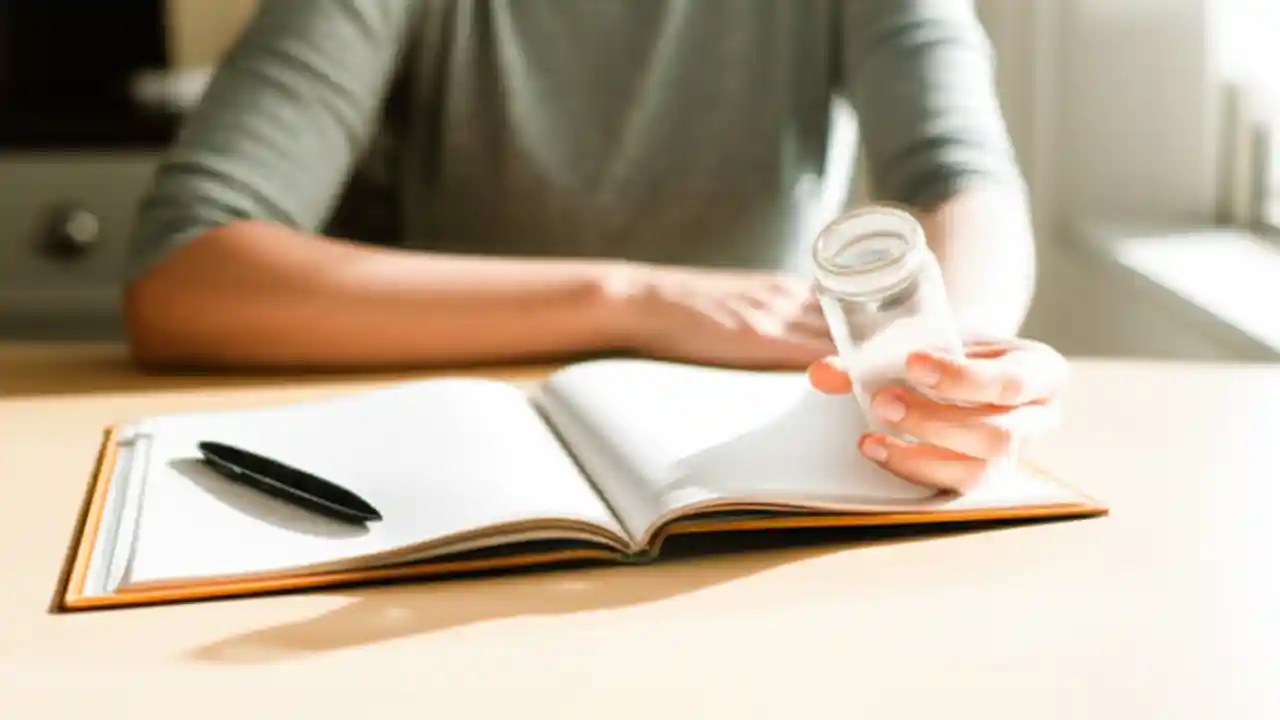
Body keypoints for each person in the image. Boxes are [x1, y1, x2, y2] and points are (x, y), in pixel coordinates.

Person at [122, 0, 1067, 493]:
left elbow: (962, 176)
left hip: (744, 453)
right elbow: (186, 275)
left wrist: (955, 362)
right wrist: (637, 299)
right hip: (458, 446)